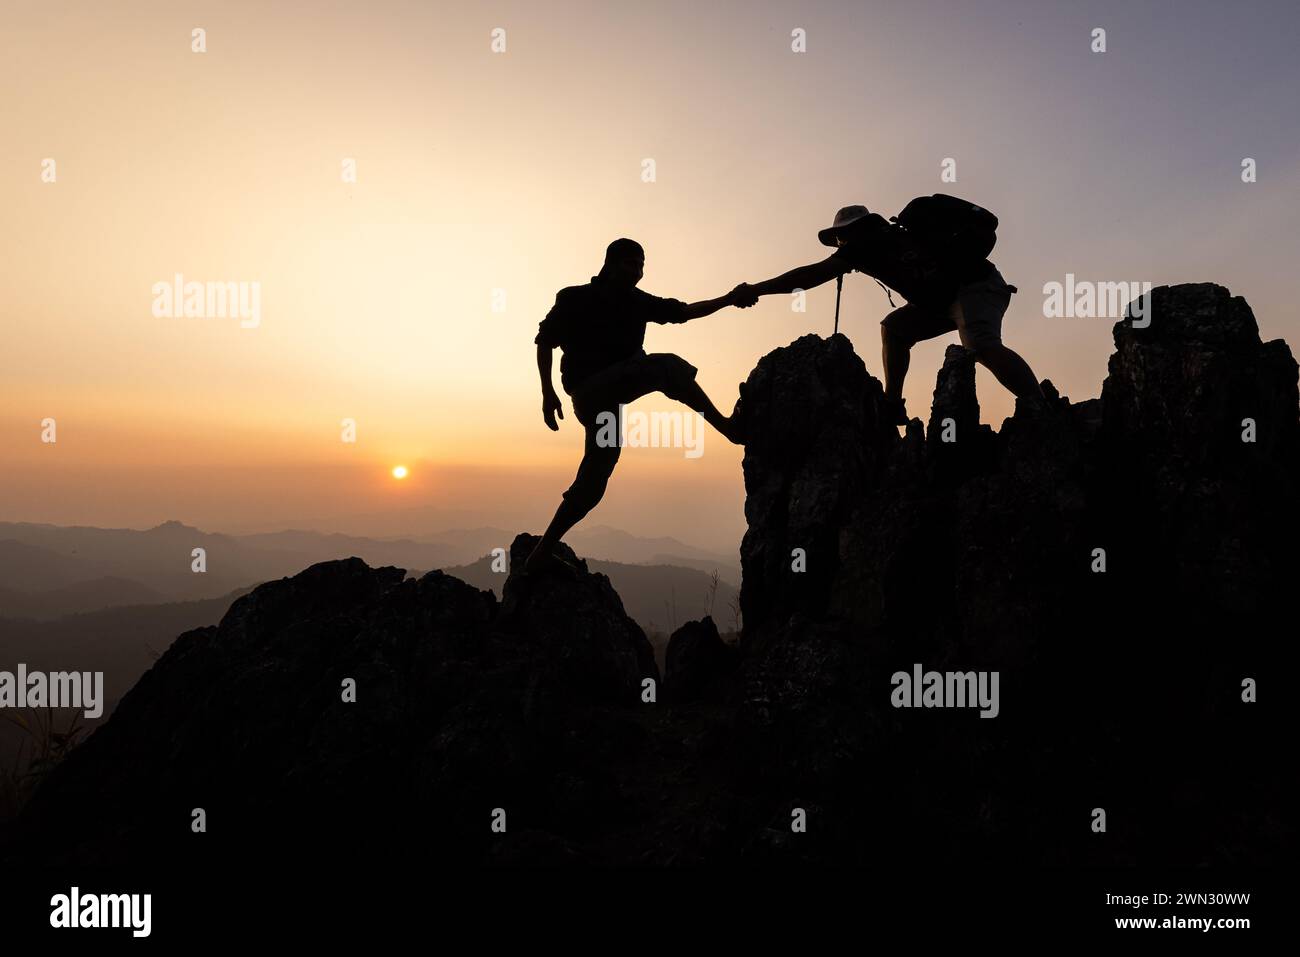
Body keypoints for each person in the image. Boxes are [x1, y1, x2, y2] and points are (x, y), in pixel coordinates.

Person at [525, 238, 751, 575]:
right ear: (610, 263)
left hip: (609, 399)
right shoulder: (575, 298)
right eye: (632, 264)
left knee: (594, 480)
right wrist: (547, 393)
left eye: (642, 266)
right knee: (668, 368)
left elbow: (684, 312)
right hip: (591, 391)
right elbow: (545, 341)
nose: (639, 272)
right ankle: (730, 428)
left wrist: (729, 299)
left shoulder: (637, 301)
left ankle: (538, 557)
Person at [735, 203, 1044, 423]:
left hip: (975, 288)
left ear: (853, 232)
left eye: (840, 238)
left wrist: (757, 289)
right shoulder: (885, 238)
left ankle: (1040, 407)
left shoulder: (865, 245)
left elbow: (808, 276)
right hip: (944, 300)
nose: (839, 246)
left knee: (981, 345)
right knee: (895, 328)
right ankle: (892, 404)